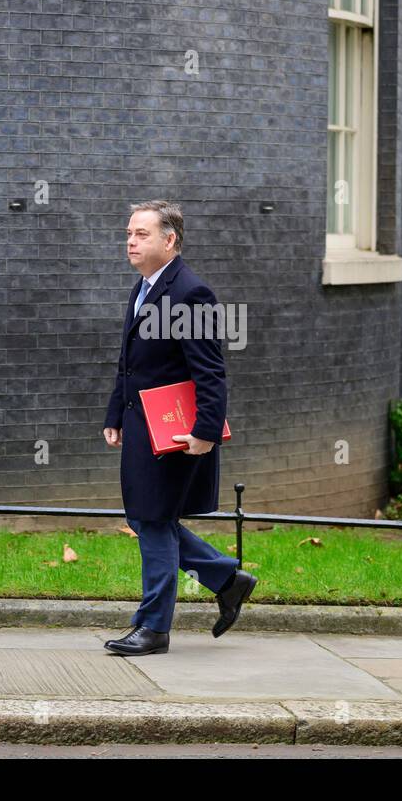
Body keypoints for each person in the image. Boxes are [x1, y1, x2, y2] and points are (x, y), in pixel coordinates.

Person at [101, 200, 257, 656]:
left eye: (141, 234)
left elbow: (211, 371)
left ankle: (153, 628)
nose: (130, 241)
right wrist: (114, 414)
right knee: (147, 516)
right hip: (141, 426)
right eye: (129, 233)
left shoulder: (191, 293)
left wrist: (205, 433)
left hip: (174, 434)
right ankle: (227, 579)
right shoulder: (143, 288)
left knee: (150, 520)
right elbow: (129, 364)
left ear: (170, 240)